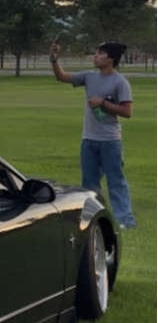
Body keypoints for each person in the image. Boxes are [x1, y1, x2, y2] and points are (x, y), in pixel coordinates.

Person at [49, 40, 135, 229]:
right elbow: (62, 77)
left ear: (111, 58)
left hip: (110, 141)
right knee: (89, 183)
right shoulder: (89, 76)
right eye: (95, 52)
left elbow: (127, 112)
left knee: (116, 182)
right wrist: (54, 59)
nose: (95, 56)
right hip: (89, 139)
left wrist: (103, 103)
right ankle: (95, 217)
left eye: (100, 53)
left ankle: (125, 221)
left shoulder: (120, 82)